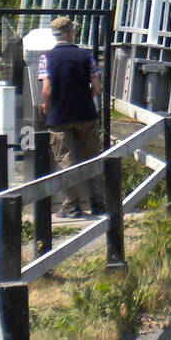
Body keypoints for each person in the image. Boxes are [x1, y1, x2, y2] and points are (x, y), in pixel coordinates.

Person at [37, 16, 104, 219]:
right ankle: (98, 203)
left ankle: (71, 206)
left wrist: (47, 107)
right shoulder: (86, 57)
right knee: (91, 158)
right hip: (86, 115)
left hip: (60, 117)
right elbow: (97, 87)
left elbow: (46, 90)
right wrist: (86, 97)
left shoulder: (46, 58)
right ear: (69, 33)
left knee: (66, 161)